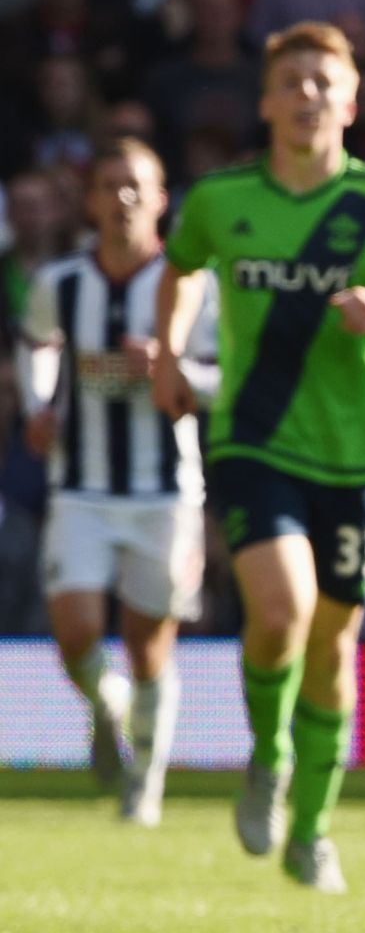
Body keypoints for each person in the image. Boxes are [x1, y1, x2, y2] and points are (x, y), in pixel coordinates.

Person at [154, 20, 365, 892]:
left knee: (331, 651)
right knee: (280, 611)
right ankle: (268, 755)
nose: (306, 95)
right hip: (253, 438)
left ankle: (314, 832)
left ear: (351, 101)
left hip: (354, 456)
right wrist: (169, 355)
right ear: (265, 101)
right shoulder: (221, 199)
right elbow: (179, 269)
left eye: (324, 82)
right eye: (290, 81)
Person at [19, 139, 217, 826]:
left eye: (137, 185)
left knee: (147, 640)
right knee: (74, 628)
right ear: (92, 200)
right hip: (81, 486)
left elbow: (226, 378)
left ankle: (146, 783)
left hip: (165, 492)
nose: (124, 198)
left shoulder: (193, 284)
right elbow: (37, 344)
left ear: (161, 199)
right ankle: (104, 705)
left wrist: (173, 369)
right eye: (110, 185)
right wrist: (39, 406)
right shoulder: (62, 283)